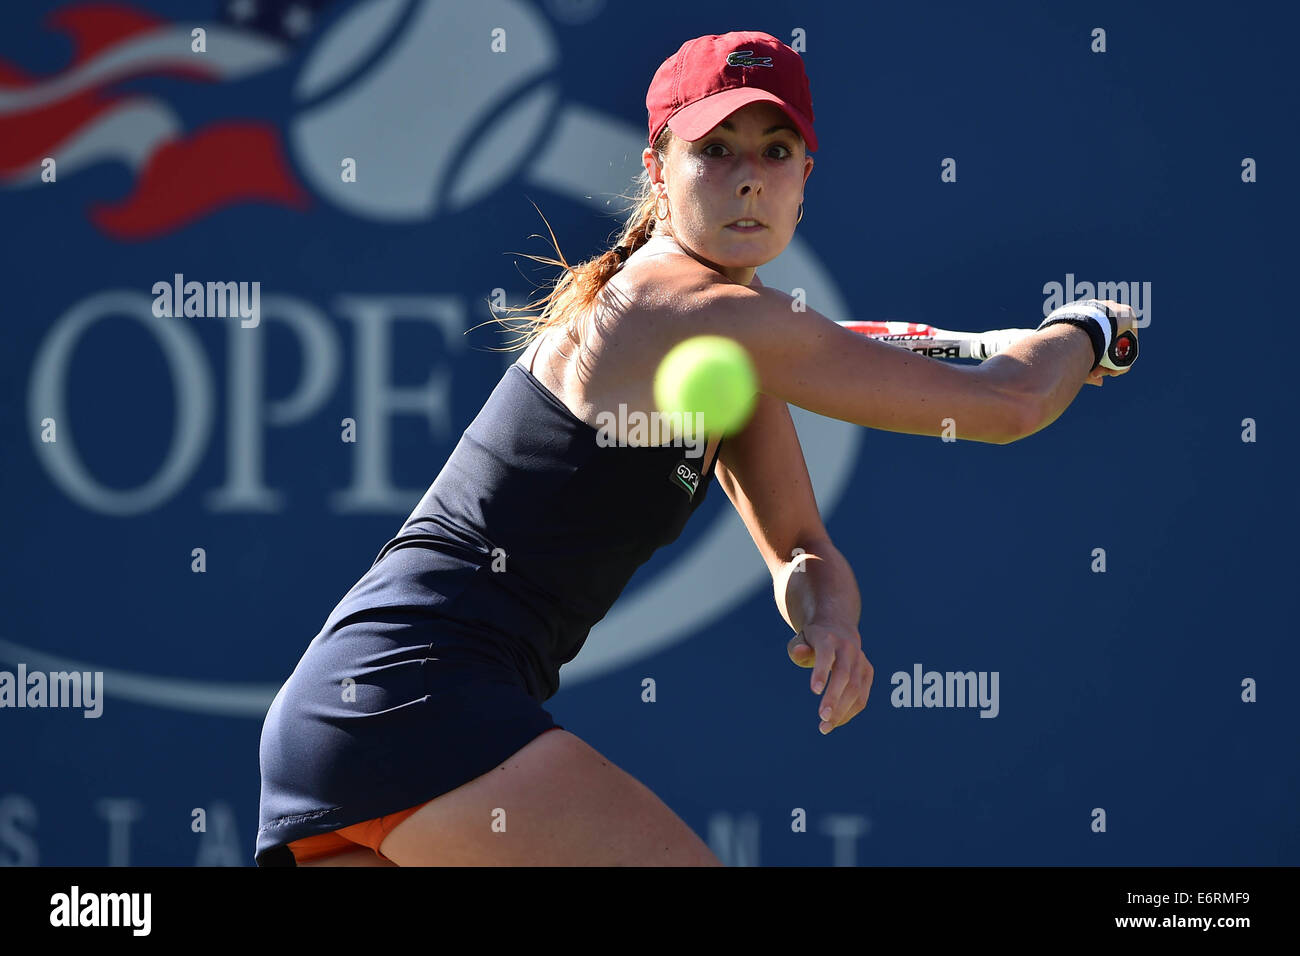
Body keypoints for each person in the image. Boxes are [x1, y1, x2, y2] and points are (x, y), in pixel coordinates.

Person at [255, 30, 1135, 868]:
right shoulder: (690, 311)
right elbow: (1008, 402)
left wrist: (826, 614)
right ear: (658, 172)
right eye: (715, 151)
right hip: (418, 702)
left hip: (345, 721)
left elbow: (799, 547)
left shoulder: (728, 342)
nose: (748, 179)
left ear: (805, 178)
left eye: (775, 151)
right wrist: (1086, 327)